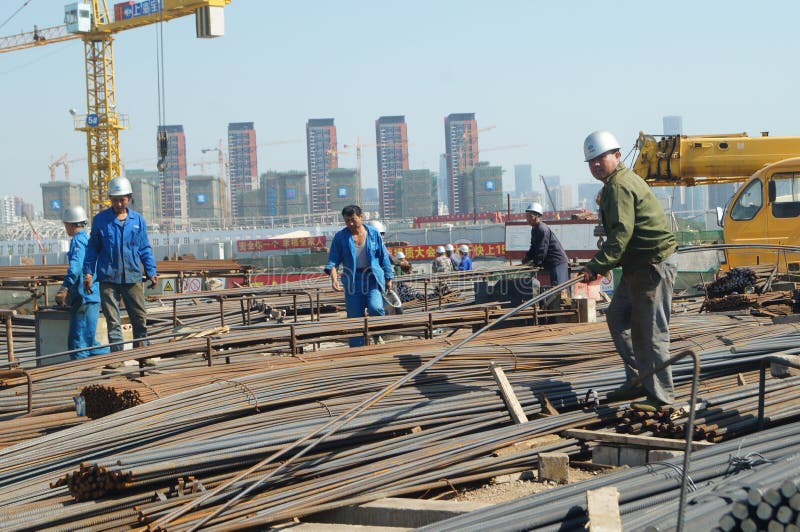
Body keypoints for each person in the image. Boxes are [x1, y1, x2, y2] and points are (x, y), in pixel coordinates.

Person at [580, 130, 678, 412]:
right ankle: (638, 380)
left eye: (601, 158)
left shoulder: (620, 185)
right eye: (591, 161)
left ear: (617, 156)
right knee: (618, 316)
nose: (596, 164)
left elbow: (622, 233)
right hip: (637, 266)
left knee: (650, 332)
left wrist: (596, 266)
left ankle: (661, 397)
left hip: (651, 265)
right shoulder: (614, 184)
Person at [83, 176, 158, 352]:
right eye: (115, 200)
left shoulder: (137, 220)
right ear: (110, 199)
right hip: (108, 278)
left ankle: (142, 354)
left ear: (129, 198)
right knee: (113, 320)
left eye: (121, 200)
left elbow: (144, 248)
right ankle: (118, 358)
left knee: (139, 318)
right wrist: (88, 273)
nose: (118, 204)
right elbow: (93, 249)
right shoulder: (101, 220)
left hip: (133, 277)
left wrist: (151, 270)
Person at [325, 205, 394, 347]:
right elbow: (333, 261)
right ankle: (357, 348)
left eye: (353, 220)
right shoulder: (340, 237)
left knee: (376, 308)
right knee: (355, 317)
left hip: (372, 278)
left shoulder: (373, 234)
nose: (350, 224)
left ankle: (376, 333)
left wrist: (388, 277)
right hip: (353, 281)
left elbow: (383, 257)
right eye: (347, 221)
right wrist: (334, 278)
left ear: (361, 217)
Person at [55, 206, 109, 359]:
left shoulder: (78, 241)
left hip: (82, 296)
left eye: (66, 225)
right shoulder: (88, 239)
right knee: (89, 339)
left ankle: (80, 371)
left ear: (71, 225)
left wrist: (65, 287)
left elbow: (76, 266)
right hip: (93, 294)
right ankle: (111, 356)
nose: (66, 228)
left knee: (77, 341)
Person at [522, 202, 569, 286]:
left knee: (559, 290)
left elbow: (542, 250)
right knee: (554, 288)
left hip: (557, 263)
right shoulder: (534, 229)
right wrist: (526, 259)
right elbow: (533, 247)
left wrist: (535, 263)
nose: (527, 219)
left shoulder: (542, 229)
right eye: (527, 216)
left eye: (530, 216)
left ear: (537, 216)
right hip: (551, 264)